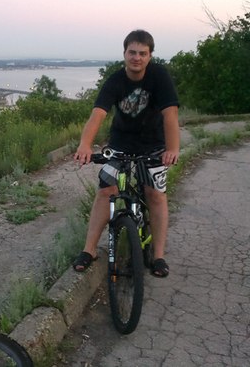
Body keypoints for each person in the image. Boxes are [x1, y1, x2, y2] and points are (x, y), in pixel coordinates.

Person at [73, 29, 180, 278]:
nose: (137, 58)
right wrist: (85, 145)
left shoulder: (159, 76)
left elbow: (170, 114)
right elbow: (98, 114)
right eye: (132, 52)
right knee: (106, 190)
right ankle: (89, 250)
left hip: (153, 144)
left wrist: (173, 149)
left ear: (150, 56)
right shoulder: (115, 80)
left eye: (142, 53)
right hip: (120, 144)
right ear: (124, 54)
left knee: (155, 194)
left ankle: (158, 256)